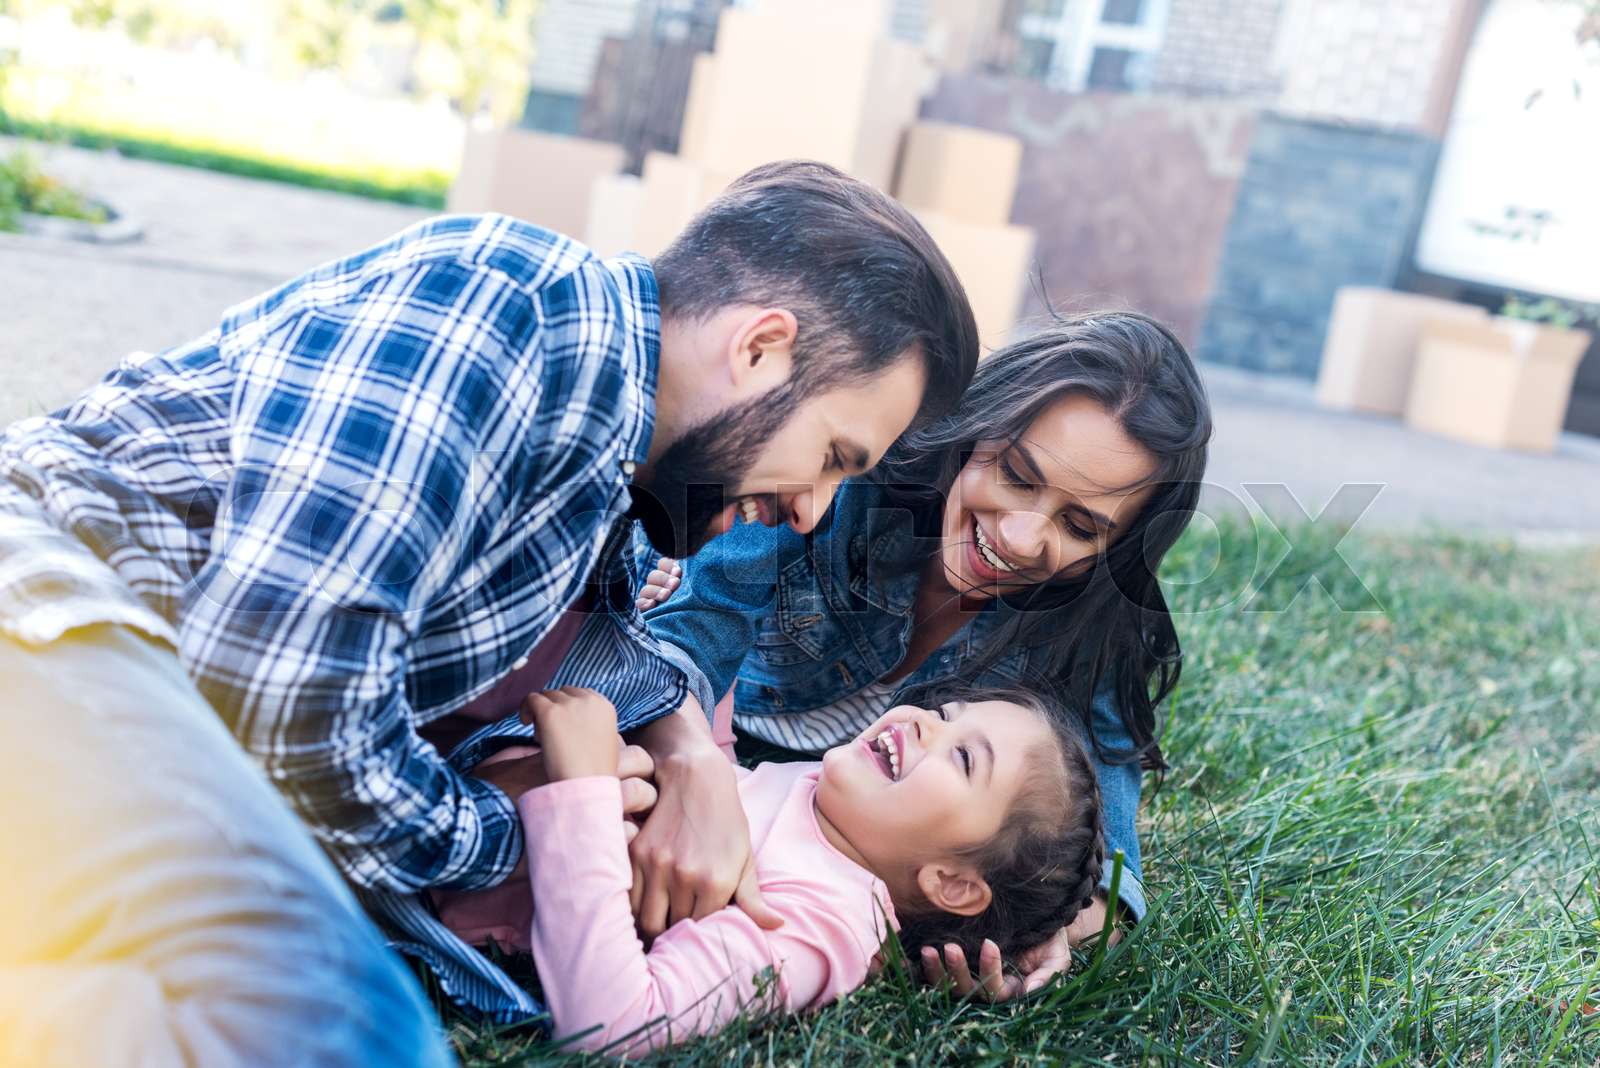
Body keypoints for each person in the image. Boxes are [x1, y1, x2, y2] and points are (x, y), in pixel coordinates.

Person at [0, 158, 979, 1055]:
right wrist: (509, 830)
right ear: (763, 348)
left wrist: (691, 760)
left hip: (132, 702)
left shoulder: (610, 475)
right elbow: (284, 687)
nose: (810, 510)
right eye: (835, 457)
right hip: (57, 614)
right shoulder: (516, 310)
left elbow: (615, 647)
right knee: (357, 1034)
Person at [630, 312, 1212, 999]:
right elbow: (684, 649)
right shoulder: (842, 478)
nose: (1023, 539)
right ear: (976, 429)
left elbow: (1112, 874)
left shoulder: (1088, 631)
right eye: (1019, 476)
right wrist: (689, 762)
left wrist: (1050, 929)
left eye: (1080, 525)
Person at [434, 682, 1104, 1054]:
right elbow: (725, 775)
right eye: (944, 713)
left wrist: (579, 790)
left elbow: (615, 1023)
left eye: (963, 759)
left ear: (953, 883)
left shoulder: (819, 922)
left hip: (441, 871)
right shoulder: (835, 805)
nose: (926, 725)